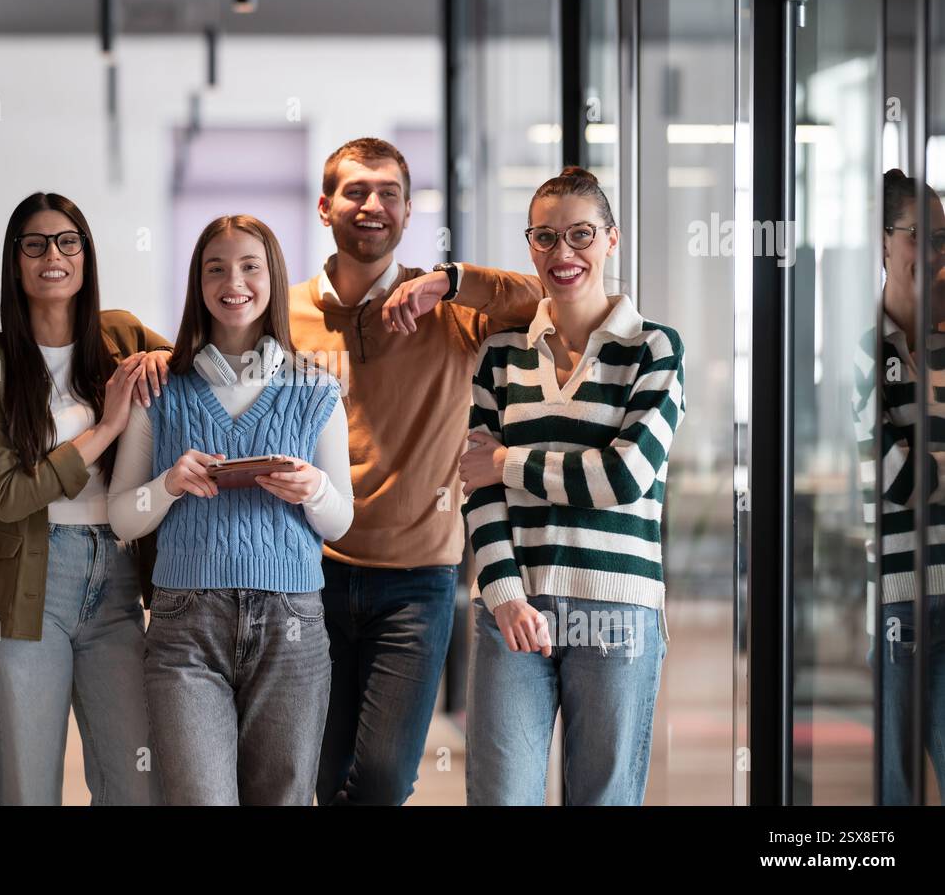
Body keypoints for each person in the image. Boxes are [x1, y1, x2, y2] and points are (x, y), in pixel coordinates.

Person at [287, 137, 543, 805]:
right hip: (307, 574)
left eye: (389, 193)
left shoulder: (448, 312)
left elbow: (551, 297)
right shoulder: (284, 316)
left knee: (381, 779)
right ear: (324, 207)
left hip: (416, 583)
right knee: (319, 772)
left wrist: (450, 279)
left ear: (406, 212)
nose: (372, 205)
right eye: (355, 191)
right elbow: (211, 353)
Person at [108, 214, 353, 805]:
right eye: (215, 269)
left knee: (285, 796)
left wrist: (314, 488)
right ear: (197, 284)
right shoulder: (161, 388)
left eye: (250, 266)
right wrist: (169, 484)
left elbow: (340, 520)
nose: (232, 281)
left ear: (273, 278)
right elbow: (121, 517)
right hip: (184, 626)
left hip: (291, 624)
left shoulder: (317, 391)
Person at [460, 166, 685, 805]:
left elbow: (625, 476)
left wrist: (507, 461)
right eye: (545, 237)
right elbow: (477, 493)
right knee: (502, 798)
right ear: (530, 245)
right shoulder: (502, 356)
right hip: (514, 609)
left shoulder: (655, 349)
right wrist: (503, 594)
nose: (564, 253)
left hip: (618, 612)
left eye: (581, 235)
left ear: (611, 239)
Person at [0, 191, 171, 806]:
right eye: (35, 244)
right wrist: (104, 428)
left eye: (67, 241)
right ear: (15, 261)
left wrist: (163, 358)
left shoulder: (122, 334)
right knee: (29, 787)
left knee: (136, 785)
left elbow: (199, 370)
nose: (53, 254)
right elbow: (5, 495)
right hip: (26, 589)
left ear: (86, 256)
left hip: (118, 579)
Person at [853, 168, 945, 803]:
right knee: (898, 792)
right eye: (924, 235)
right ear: (884, 242)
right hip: (896, 603)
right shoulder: (860, 356)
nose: (937, 253)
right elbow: (903, 481)